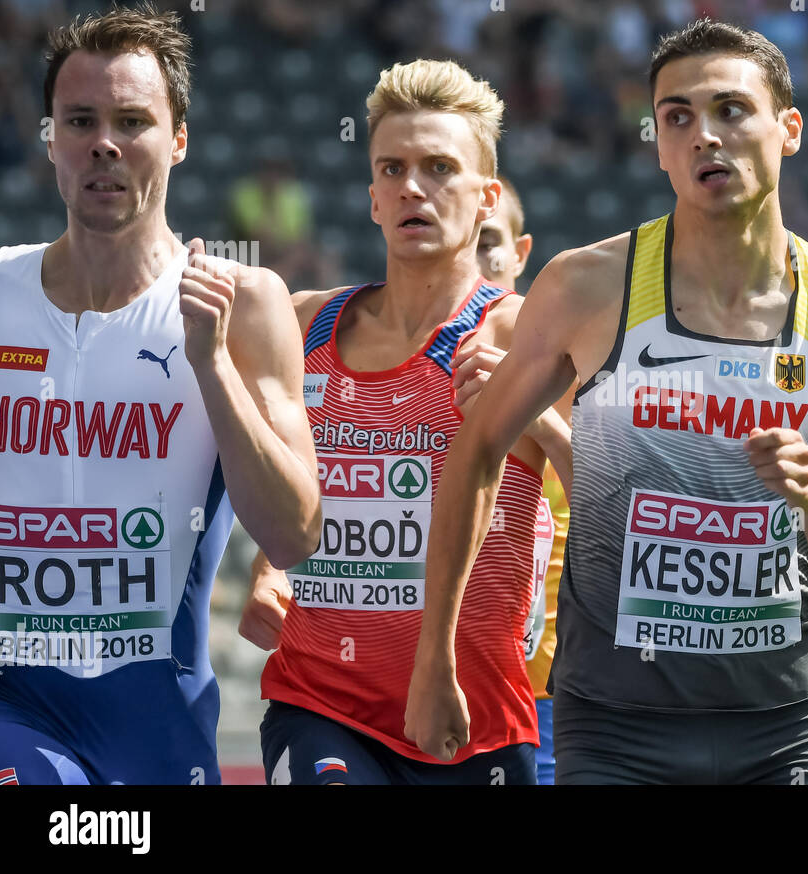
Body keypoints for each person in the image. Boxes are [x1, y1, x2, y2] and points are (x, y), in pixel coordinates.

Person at [406, 18, 808, 785]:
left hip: (781, 730)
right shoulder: (587, 287)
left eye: (730, 110)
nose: (704, 135)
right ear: (659, 143)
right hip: (614, 727)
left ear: (790, 129)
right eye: (677, 117)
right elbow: (475, 449)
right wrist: (433, 656)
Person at [0, 5, 321, 785]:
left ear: (178, 139)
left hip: (156, 717)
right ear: (49, 140)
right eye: (79, 119)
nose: (104, 142)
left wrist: (210, 364)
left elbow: (294, 535)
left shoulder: (242, 301)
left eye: (132, 120)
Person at [238, 59, 571, 785]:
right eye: (392, 167)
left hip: (474, 721)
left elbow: (613, 511)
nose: (412, 186)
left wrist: (540, 423)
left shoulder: (528, 334)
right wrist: (270, 567)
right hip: (319, 703)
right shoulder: (301, 324)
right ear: (372, 199)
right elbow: (268, 466)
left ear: (487, 197)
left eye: (439, 167)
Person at [474, 177, 567, 786]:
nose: (477, 259)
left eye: (490, 241)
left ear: (521, 252)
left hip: (547, 700)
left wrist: (538, 417)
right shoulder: (394, 366)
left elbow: (622, 504)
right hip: (416, 681)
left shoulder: (572, 363)